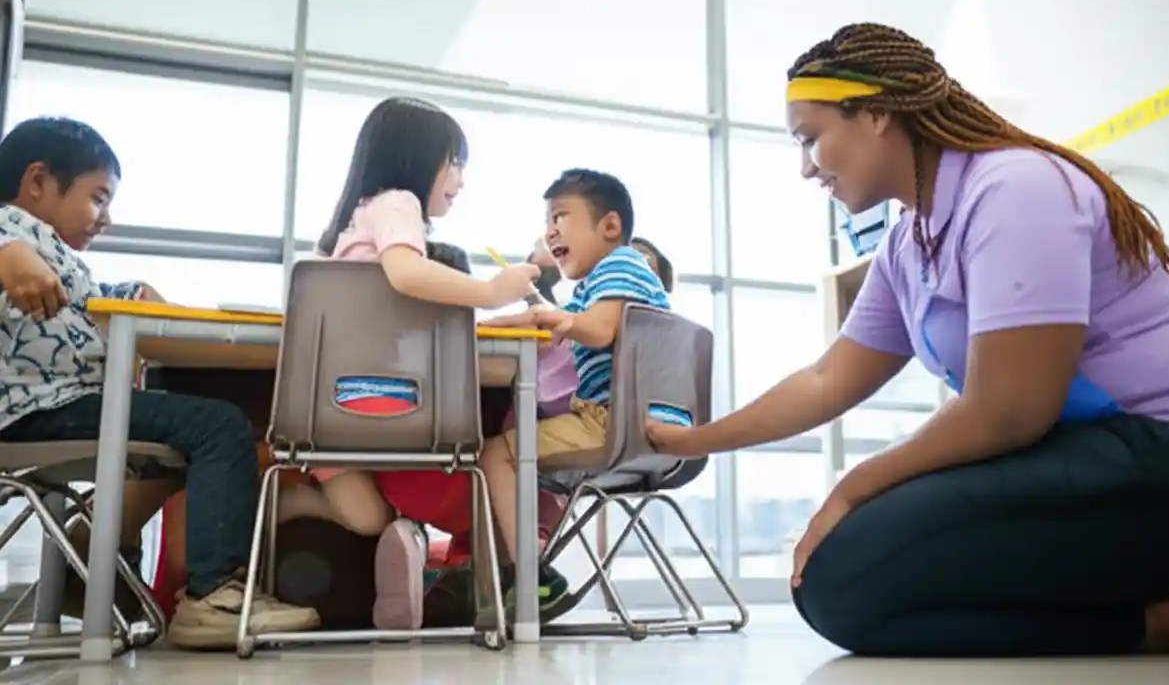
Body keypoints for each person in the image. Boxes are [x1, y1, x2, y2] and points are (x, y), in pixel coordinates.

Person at [647, 23, 1169, 657]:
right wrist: (697, 441)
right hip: (1098, 460)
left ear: (875, 113)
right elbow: (825, 380)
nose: (806, 167)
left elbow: (1009, 411)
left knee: (847, 578)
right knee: (835, 585)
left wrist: (854, 486)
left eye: (811, 140)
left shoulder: (1015, 188)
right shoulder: (906, 242)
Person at [0, 117, 321, 649]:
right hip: (41, 410)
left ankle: (95, 568)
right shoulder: (14, 233)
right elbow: (14, 255)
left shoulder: (53, 252)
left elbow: (84, 297)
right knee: (219, 425)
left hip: (58, 403)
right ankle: (213, 595)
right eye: (97, 197)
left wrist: (135, 289)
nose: (106, 217)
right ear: (37, 182)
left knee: (188, 425)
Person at [277, 96, 539, 630]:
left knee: (370, 518)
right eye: (456, 162)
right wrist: (490, 291)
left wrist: (478, 319)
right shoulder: (398, 202)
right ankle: (464, 559)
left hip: (334, 412)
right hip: (386, 407)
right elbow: (405, 275)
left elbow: (394, 317)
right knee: (443, 480)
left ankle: (280, 510)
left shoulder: (352, 227)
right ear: (417, 158)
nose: (461, 180)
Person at [480, 168, 676, 621]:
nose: (549, 232)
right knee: (505, 451)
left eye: (560, 217)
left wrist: (563, 322)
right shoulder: (595, 289)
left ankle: (532, 575)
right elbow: (551, 326)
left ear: (609, 226)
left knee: (495, 455)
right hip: (633, 422)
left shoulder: (621, 264)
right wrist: (508, 321)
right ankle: (522, 568)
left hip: (611, 422)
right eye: (547, 222)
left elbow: (599, 328)